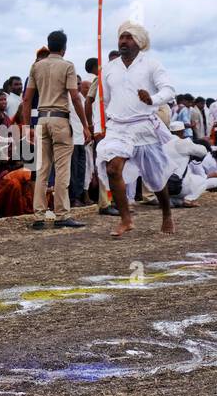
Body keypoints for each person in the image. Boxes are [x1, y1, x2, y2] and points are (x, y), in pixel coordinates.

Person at [95, 22, 175, 237]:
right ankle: (126, 219)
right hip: (117, 128)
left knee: (157, 178)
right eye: (121, 37)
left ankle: (167, 213)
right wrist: (98, 126)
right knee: (113, 168)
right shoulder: (110, 68)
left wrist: (153, 99)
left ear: (139, 42)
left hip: (143, 126)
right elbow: (103, 101)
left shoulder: (151, 64)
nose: (123, 41)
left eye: (128, 38)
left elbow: (169, 89)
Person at [18, 30, 91, 230]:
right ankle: (61, 214)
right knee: (62, 171)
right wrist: (85, 125)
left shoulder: (36, 67)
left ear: (49, 46)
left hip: (41, 120)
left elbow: (26, 100)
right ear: (64, 48)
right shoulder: (67, 66)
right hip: (60, 120)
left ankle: (39, 215)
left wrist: (27, 127)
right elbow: (75, 98)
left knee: (42, 170)